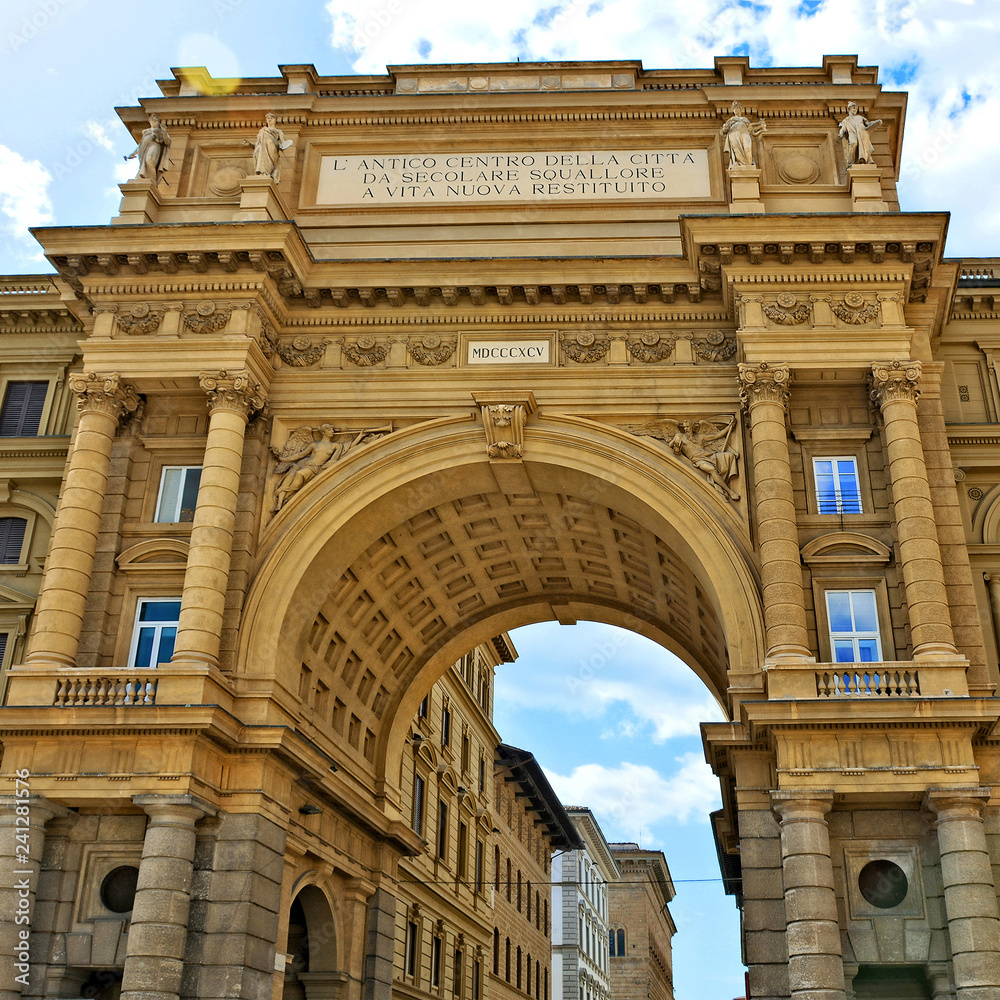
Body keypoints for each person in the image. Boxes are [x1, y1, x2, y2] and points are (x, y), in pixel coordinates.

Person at [125, 113, 171, 185]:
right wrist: (134, 153)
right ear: (150, 121)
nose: (154, 121)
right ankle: (146, 178)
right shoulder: (146, 132)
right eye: (152, 120)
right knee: (145, 163)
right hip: (144, 148)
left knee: (150, 160)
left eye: (156, 120)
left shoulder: (161, 131)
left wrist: (164, 132)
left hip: (155, 146)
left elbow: (167, 141)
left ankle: (152, 180)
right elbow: (141, 145)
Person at [720, 100, 766, 167]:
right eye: (735, 108)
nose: (736, 110)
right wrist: (725, 128)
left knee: (747, 148)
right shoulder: (731, 120)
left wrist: (760, 126)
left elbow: (751, 129)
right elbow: (723, 130)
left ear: (740, 109)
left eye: (738, 108)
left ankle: (748, 163)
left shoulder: (745, 119)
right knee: (737, 150)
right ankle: (740, 163)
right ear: (733, 110)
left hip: (745, 135)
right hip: (734, 136)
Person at [252, 113, 293, 182]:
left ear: (275, 120)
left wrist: (283, 145)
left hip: (272, 149)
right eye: (268, 118)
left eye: (272, 118)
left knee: (269, 161)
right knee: (260, 157)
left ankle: (267, 173)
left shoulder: (278, 132)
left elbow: (283, 143)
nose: (270, 119)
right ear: (266, 121)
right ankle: (263, 173)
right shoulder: (262, 131)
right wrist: (249, 144)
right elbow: (257, 144)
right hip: (262, 149)